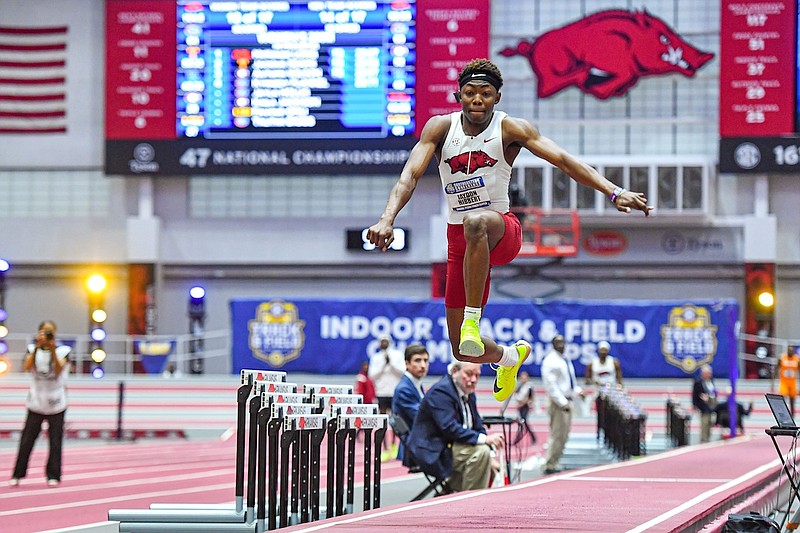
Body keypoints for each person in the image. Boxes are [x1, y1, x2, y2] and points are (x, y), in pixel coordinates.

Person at [367, 58, 651, 404]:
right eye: (470, 93)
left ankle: (474, 319)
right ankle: (509, 357)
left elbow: (563, 160)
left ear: (497, 98)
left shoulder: (509, 129)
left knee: (475, 221)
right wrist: (387, 218)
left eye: (485, 94)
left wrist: (613, 191)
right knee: (463, 349)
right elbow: (408, 176)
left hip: (501, 230)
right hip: (460, 241)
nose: (477, 100)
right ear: (459, 95)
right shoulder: (440, 128)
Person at [406, 360, 504, 492]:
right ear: (454, 372)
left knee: (486, 456)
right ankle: (469, 502)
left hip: (454, 447)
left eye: (477, 375)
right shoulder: (441, 392)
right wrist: (485, 441)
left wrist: (491, 454)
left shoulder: (468, 391)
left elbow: (477, 425)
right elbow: (449, 428)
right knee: (481, 454)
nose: (473, 379)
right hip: (434, 451)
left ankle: (453, 494)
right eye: (469, 374)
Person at [9, 321, 71, 487]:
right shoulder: (31, 350)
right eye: (44, 332)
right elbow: (27, 367)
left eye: (49, 332)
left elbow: (58, 370)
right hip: (36, 401)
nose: (46, 335)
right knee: (27, 440)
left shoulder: (63, 351)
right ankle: (18, 473)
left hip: (56, 402)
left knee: (55, 441)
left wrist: (51, 349)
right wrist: (38, 347)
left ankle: (53, 475)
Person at [541, 335, 583, 474]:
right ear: (552, 344)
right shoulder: (550, 361)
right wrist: (562, 403)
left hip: (567, 400)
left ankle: (555, 461)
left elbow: (567, 382)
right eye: (558, 342)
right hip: (559, 403)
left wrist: (577, 391)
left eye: (563, 342)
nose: (561, 344)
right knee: (557, 434)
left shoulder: (564, 359)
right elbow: (551, 385)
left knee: (564, 435)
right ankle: (550, 463)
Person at [392, 344, 430, 466]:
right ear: (407, 363)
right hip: (416, 448)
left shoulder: (415, 384)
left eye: (425, 360)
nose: (423, 365)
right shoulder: (404, 389)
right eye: (417, 360)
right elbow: (422, 418)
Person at [368, 337, 404, 460]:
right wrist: (383, 364)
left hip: (394, 392)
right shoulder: (376, 357)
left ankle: (394, 444)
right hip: (381, 392)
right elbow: (372, 375)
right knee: (381, 421)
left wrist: (391, 363)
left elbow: (402, 372)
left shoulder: (397, 355)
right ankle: (384, 448)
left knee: (395, 420)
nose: (384, 343)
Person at [692, 364, 718, 443]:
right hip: (702, 406)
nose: (710, 374)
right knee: (704, 423)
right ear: (703, 373)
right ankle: (703, 439)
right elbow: (694, 394)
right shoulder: (698, 382)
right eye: (708, 373)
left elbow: (714, 391)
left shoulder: (711, 381)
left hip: (711, 404)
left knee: (710, 422)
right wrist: (695, 405)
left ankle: (708, 437)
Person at [510, 370, 536, 444]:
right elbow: (517, 394)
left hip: (525, 407)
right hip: (520, 407)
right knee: (523, 423)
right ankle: (531, 438)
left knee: (523, 422)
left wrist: (523, 403)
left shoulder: (529, 387)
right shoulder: (520, 385)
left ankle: (517, 440)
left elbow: (530, 398)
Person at [777, 346, 799, 417]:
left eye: (791, 350)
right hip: (784, 382)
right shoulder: (782, 358)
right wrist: (772, 382)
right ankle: (782, 415)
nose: (790, 352)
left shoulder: (797, 359)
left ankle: (792, 416)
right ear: (787, 351)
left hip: (792, 382)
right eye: (789, 350)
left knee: (792, 401)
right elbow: (776, 368)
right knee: (783, 399)